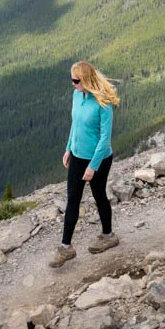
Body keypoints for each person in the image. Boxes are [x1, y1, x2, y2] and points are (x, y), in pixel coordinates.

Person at [50, 60, 120, 268]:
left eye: (76, 80)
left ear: (86, 80)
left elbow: (105, 138)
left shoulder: (103, 103)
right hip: (78, 156)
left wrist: (93, 166)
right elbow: (76, 124)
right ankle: (66, 247)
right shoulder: (76, 95)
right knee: (73, 199)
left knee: (99, 196)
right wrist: (69, 147)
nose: (72, 84)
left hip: (99, 158)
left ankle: (108, 235)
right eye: (72, 80)